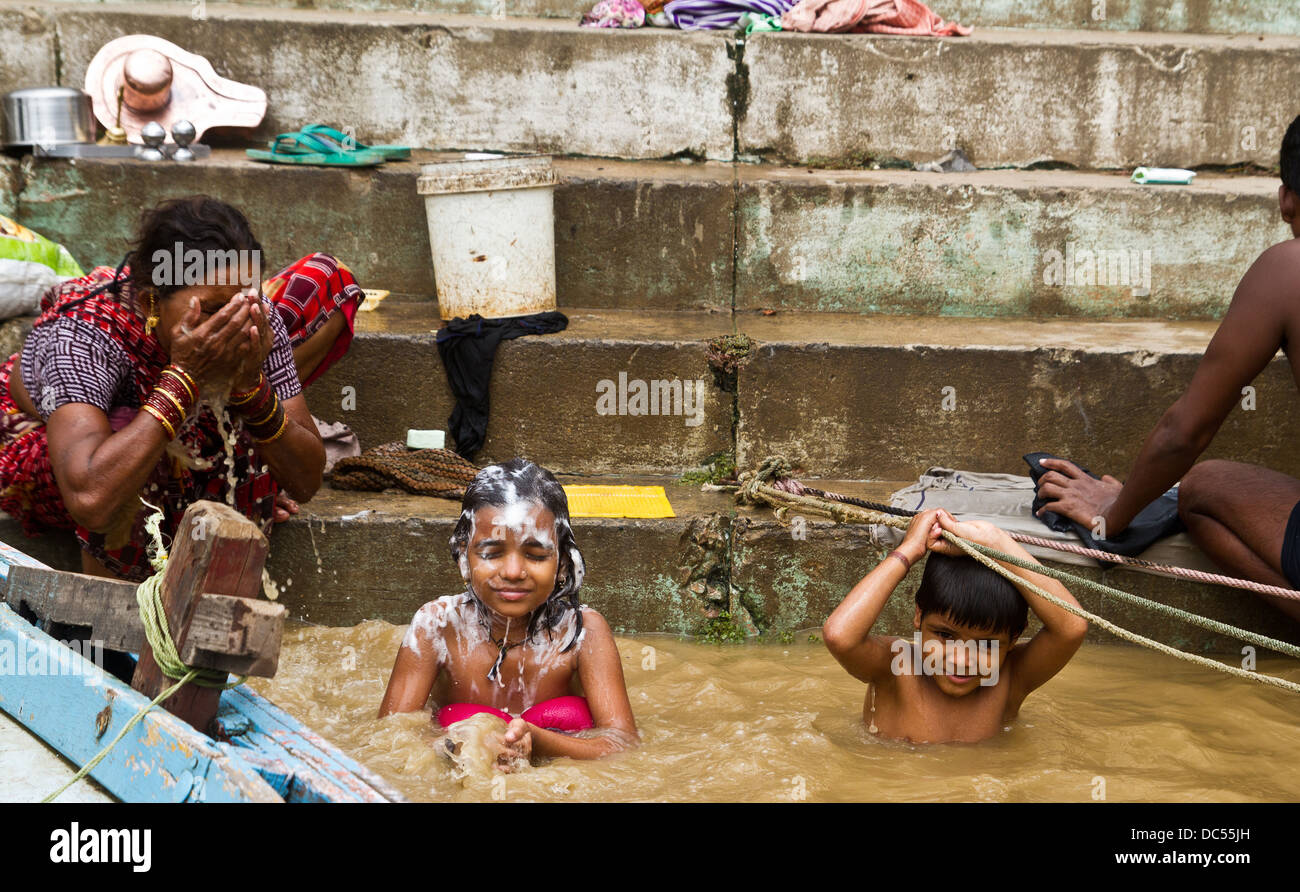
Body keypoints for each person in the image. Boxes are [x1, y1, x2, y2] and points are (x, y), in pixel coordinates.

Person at [0, 196, 363, 582]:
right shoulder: (84, 332)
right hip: (48, 438)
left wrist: (251, 389)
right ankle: (120, 628)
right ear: (150, 303)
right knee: (147, 451)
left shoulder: (251, 317)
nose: (232, 324)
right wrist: (185, 376)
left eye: (245, 301)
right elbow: (90, 498)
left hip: (184, 413)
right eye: (210, 311)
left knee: (321, 281)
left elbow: (305, 481)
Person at [1034, 115, 1300, 617]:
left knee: (1200, 490)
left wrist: (1113, 513)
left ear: (1286, 198)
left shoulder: (1289, 268)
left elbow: (1185, 433)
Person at [379, 458, 638, 771]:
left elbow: (622, 745)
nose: (514, 572)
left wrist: (541, 743)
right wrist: (462, 746)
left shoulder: (583, 633)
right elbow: (388, 737)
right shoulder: (436, 626)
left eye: (535, 555)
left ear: (564, 564)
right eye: (491, 553)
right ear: (464, 556)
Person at [823, 508, 1087, 744]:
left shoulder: (1011, 678)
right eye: (945, 635)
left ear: (1014, 638)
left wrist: (997, 541)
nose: (961, 660)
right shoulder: (897, 667)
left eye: (985, 645)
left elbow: (1071, 628)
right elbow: (839, 636)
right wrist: (909, 550)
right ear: (918, 616)